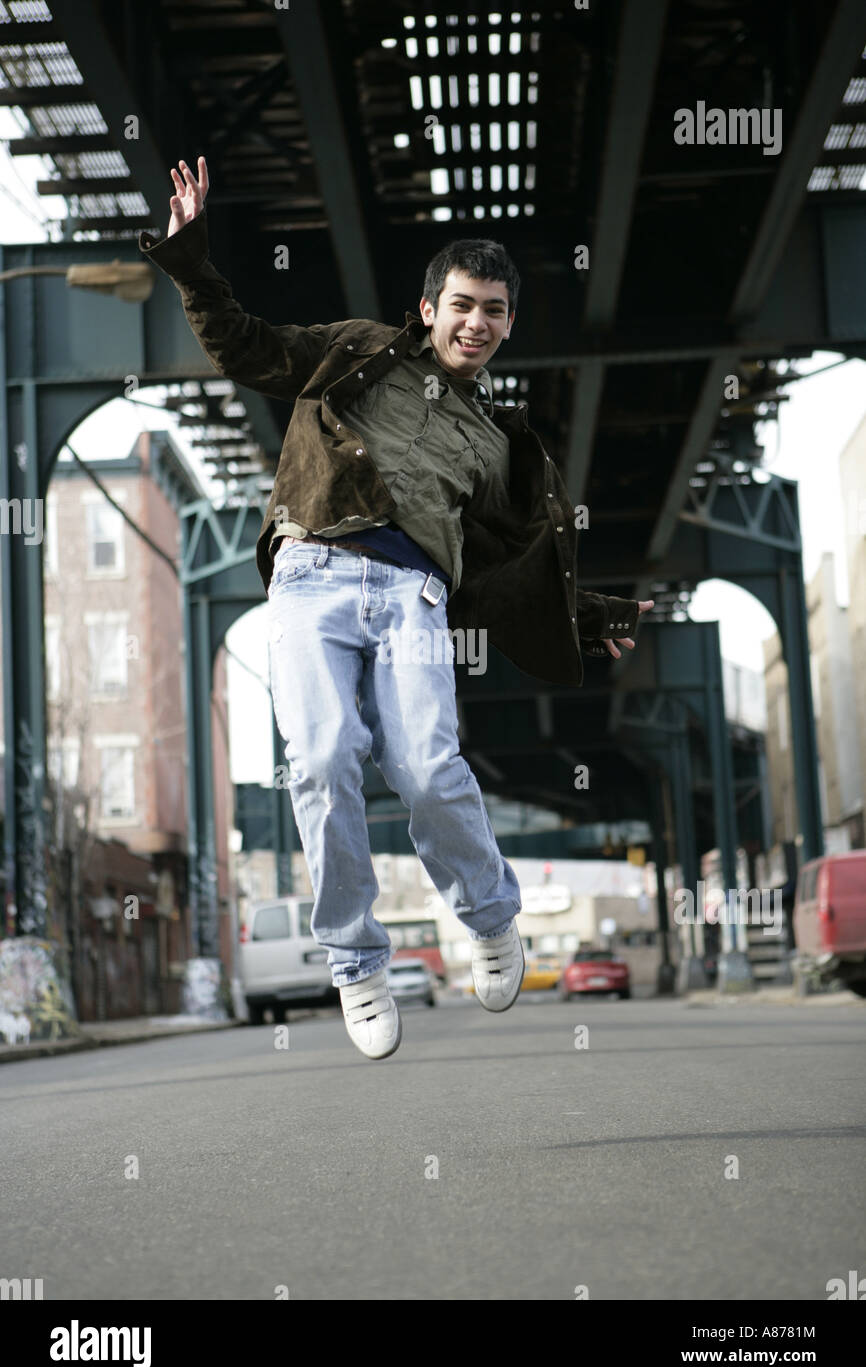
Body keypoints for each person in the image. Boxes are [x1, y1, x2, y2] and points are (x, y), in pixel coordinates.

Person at [139, 155, 654, 1060]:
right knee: (323, 755)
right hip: (311, 573)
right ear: (429, 309)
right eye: (462, 303)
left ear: (507, 325)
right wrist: (191, 261)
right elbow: (250, 344)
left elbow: (511, 569)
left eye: (494, 310)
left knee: (426, 766)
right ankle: (356, 962)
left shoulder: (499, 448)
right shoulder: (357, 350)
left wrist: (591, 616)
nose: (477, 322)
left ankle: (492, 919)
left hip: (413, 593)